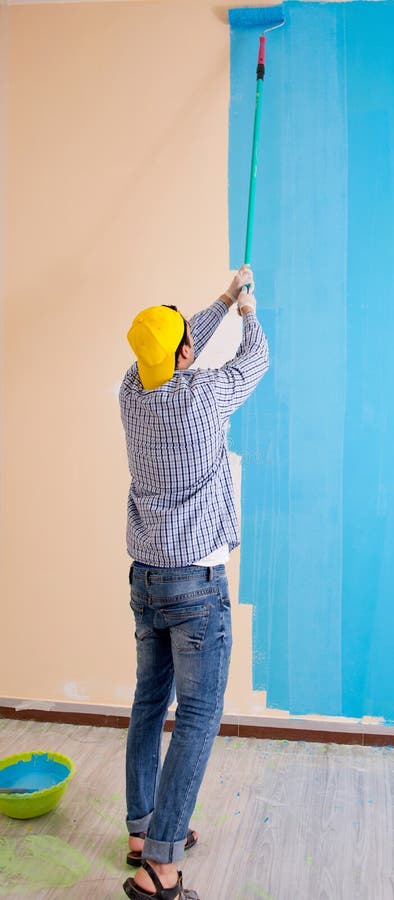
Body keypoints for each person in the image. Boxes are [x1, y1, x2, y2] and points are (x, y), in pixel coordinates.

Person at [119, 265, 269, 900]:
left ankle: (142, 828)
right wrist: (250, 309)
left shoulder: (131, 389)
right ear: (184, 354)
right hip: (195, 586)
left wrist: (222, 298)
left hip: (147, 578)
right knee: (201, 713)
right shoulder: (205, 397)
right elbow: (255, 359)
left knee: (150, 703)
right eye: (187, 341)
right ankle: (161, 864)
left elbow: (181, 348)